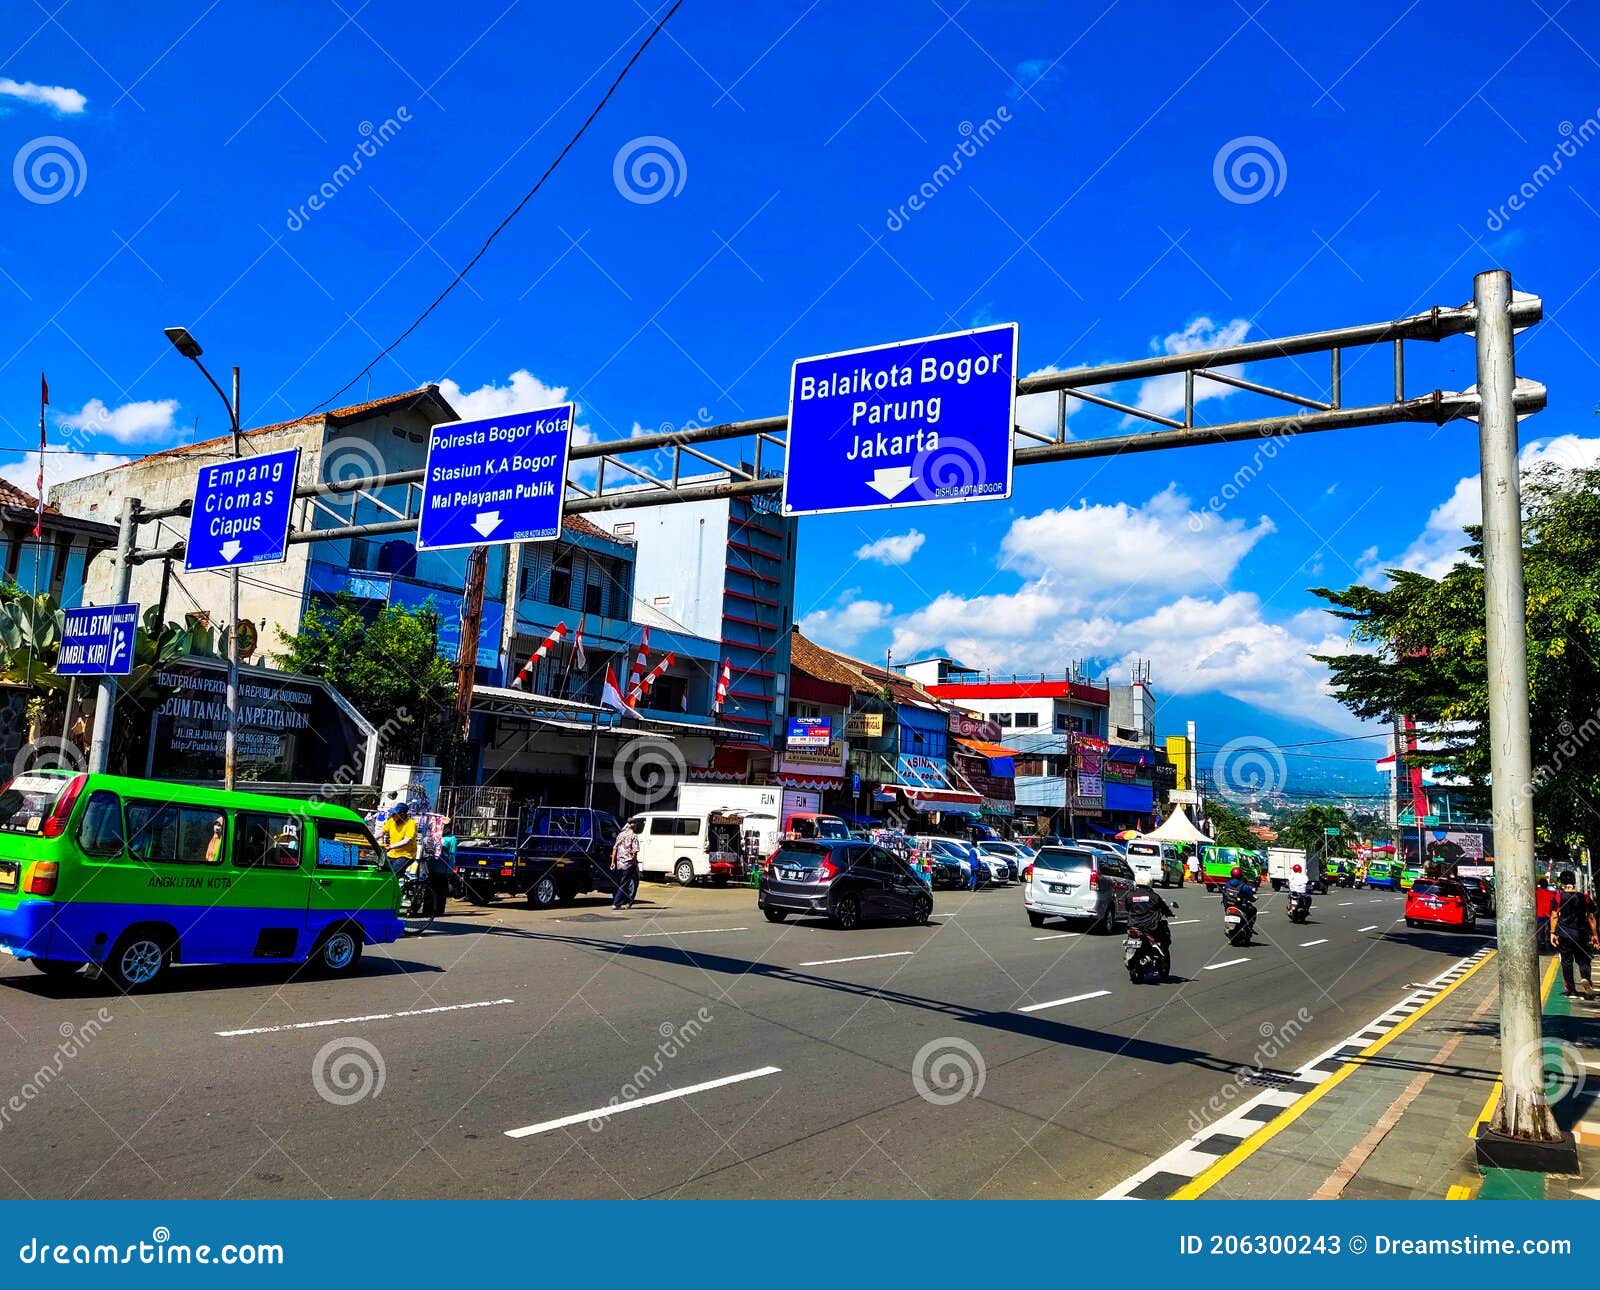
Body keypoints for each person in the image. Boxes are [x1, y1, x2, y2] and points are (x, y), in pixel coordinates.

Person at [1550, 870, 1598, 1000]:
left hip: (1564, 934)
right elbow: (1591, 917)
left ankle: (1571, 990)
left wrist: (1552, 933)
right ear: (1574, 882)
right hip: (1581, 934)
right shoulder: (1585, 897)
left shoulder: (1558, 896)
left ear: (1561, 882)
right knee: (1584, 959)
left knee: (1566, 962)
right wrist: (1595, 935)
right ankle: (1585, 978)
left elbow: (1554, 915)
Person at [1126, 869, 1174, 975]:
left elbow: (1127, 907)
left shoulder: (1130, 895)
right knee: (1163, 934)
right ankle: (1159, 957)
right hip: (1150, 927)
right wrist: (1169, 913)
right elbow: (1164, 908)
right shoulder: (1154, 897)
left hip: (1133, 925)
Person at [379, 801, 419, 873]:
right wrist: (370, 838)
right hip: (393, 854)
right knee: (382, 871)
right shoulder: (392, 820)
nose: (392, 815)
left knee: (393, 875)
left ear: (402, 814)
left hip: (406, 855)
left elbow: (407, 840)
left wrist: (390, 846)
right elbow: (381, 832)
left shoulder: (411, 823)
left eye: (395, 814)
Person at [611, 818, 640, 910]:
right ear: (634, 825)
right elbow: (634, 852)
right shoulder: (634, 836)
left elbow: (615, 848)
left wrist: (613, 862)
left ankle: (625, 902)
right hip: (629, 863)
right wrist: (635, 861)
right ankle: (617, 904)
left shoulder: (620, 835)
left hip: (619, 863)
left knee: (622, 883)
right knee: (629, 883)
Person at [1221, 865, 1257, 932]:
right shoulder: (1244, 886)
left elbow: (1223, 893)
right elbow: (1251, 896)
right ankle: (1250, 926)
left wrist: (1224, 902)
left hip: (1229, 906)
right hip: (1240, 906)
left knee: (1226, 909)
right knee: (1253, 910)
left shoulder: (1227, 884)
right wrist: (1253, 899)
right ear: (1241, 875)